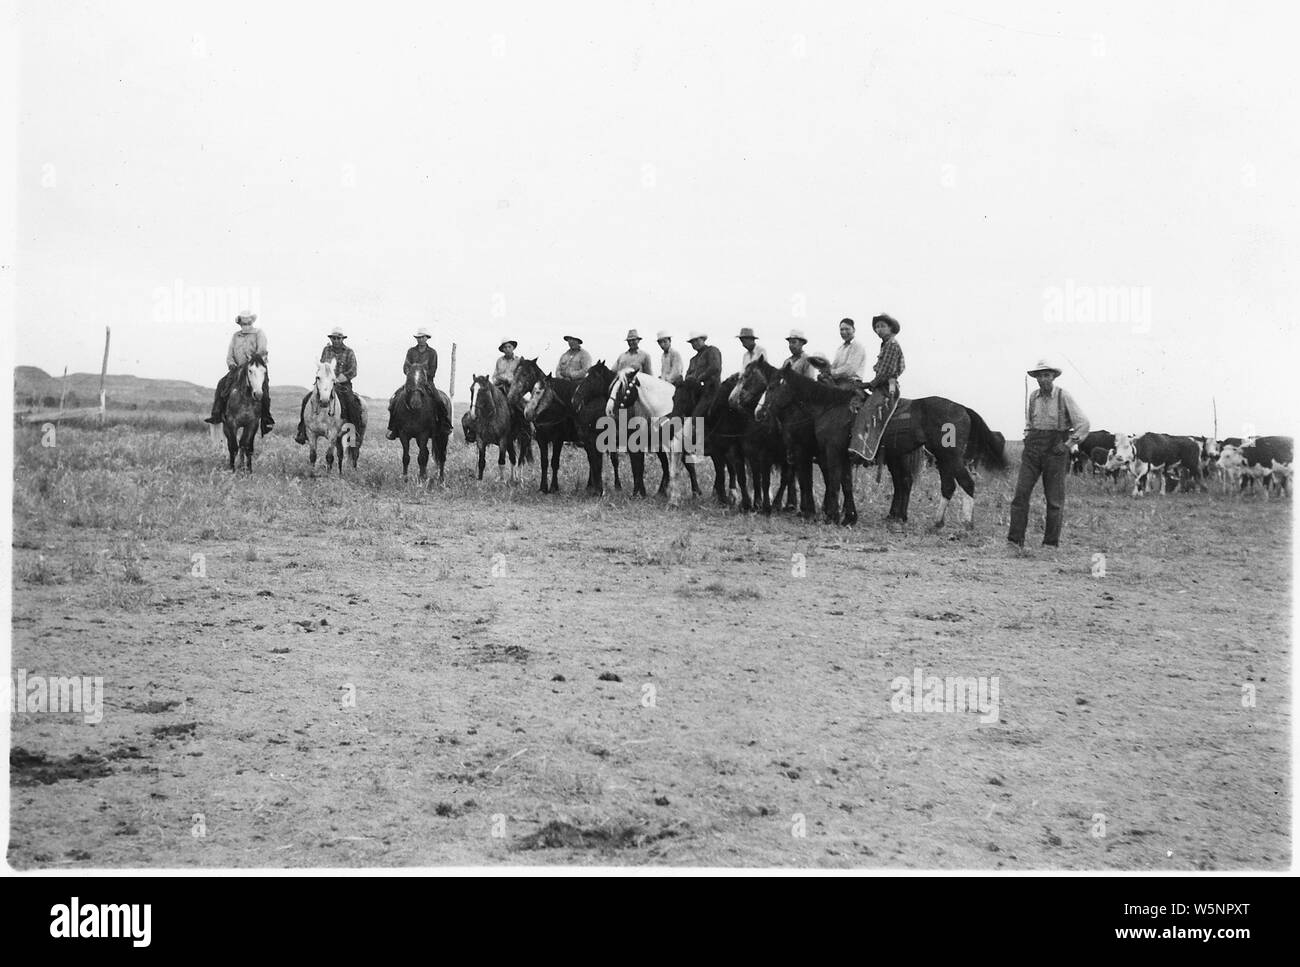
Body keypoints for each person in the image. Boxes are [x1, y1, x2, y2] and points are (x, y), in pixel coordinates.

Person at [1008, 358, 1091, 549]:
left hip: (1056, 449)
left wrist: (1068, 444)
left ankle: (1050, 544)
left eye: (1047, 375)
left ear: (1053, 376)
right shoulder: (1033, 397)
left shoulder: (1063, 396)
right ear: (1036, 378)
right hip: (1033, 449)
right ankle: (1014, 541)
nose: (1043, 379)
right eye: (1040, 376)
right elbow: (1029, 422)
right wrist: (1027, 438)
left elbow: (1083, 423)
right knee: (1020, 494)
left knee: (1054, 499)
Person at [847, 314, 905, 462]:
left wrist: (869, 384)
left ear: (891, 328)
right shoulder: (886, 344)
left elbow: (886, 371)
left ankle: (862, 452)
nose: (878, 329)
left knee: (866, 411)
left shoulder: (891, 344)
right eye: (877, 327)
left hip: (887, 386)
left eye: (882, 326)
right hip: (884, 383)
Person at [205, 312, 273, 434]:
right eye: (243, 323)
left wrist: (252, 361)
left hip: (256, 368)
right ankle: (217, 414)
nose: (245, 325)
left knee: (264, 394)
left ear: (251, 322)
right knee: (222, 385)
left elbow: (262, 350)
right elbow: (230, 353)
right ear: (240, 323)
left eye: (247, 323)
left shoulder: (259, 333)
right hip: (238, 369)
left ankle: (266, 419)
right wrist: (231, 364)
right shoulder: (236, 336)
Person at [296, 328, 359, 444]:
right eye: (333, 338)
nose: (336, 340)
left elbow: (353, 371)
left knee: (351, 402)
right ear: (331, 339)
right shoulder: (326, 350)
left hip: (342, 384)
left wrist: (340, 378)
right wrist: (324, 378)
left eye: (338, 338)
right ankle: (302, 430)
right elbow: (322, 366)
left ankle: (352, 433)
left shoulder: (349, 352)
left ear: (342, 339)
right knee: (306, 399)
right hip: (326, 383)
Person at [386, 327, 439, 440]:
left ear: (427, 338)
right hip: (411, 382)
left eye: (422, 337)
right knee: (394, 400)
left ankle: (442, 427)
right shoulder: (411, 351)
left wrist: (422, 374)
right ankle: (393, 428)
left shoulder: (432, 353)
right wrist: (410, 373)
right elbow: (405, 366)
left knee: (439, 401)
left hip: (426, 383)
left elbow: (433, 370)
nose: (420, 339)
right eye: (418, 337)